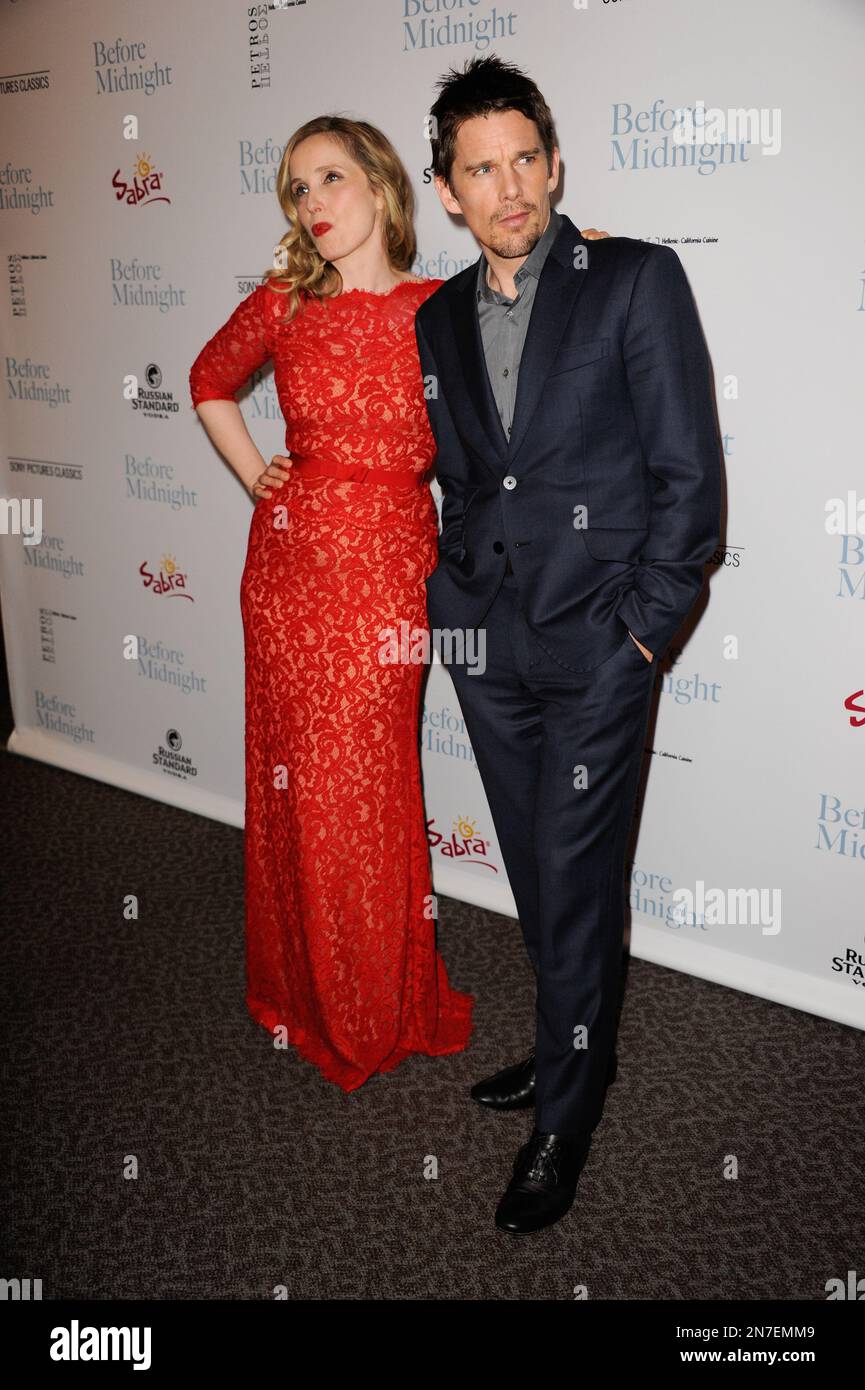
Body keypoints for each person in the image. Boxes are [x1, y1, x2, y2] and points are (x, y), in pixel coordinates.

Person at [415, 56, 722, 1234]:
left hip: (599, 647)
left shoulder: (633, 282)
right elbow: (467, 478)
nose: (508, 189)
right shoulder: (437, 316)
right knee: (539, 875)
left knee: (579, 876)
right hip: (489, 646)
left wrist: (638, 641)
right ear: (447, 189)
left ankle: (566, 1112)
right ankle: (566, 1049)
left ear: (553, 162)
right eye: (479, 169)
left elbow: (687, 483)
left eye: (524, 160)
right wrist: (448, 609)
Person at [187, 116, 476, 1092]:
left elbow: (539, 332)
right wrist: (254, 473)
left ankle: (375, 995)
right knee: (299, 782)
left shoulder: (441, 306)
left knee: (370, 778)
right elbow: (207, 381)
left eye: (330, 179)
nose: (312, 204)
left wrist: (588, 258)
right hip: (288, 569)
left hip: (392, 561)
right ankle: (306, 989)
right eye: (296, 189)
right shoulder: (282, 305)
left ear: (384, 186)